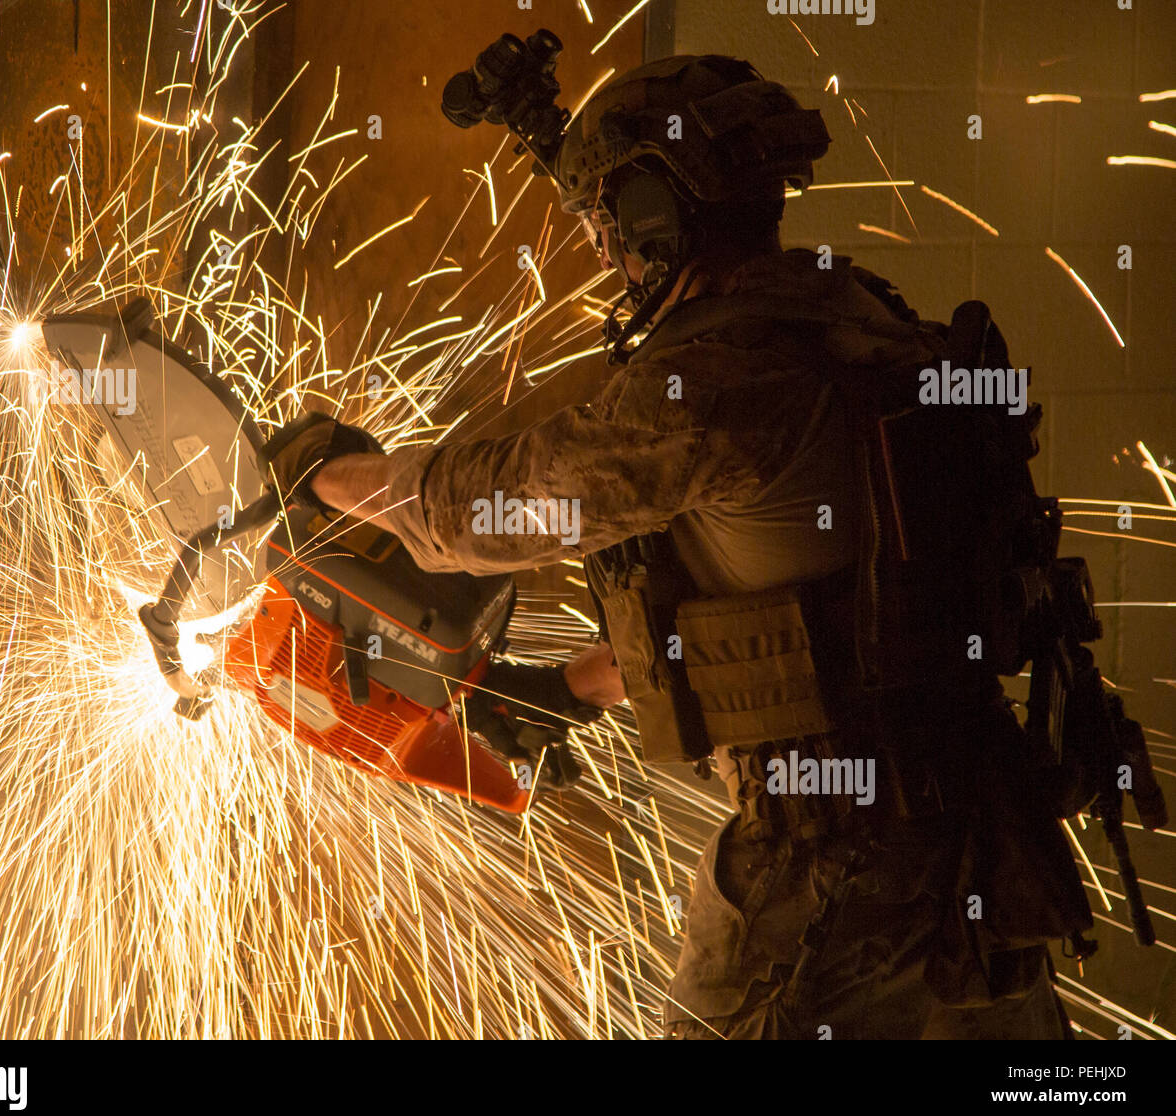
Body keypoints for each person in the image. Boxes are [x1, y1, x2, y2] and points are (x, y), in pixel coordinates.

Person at [267, 55, 1091, 1039]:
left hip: (829, 873)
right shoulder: (868, 324)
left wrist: (324, 475)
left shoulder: (713, 383)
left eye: (604, 225)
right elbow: (833, 626)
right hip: (980, 849)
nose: (605, 252)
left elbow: (494, 508)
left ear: (656, 212)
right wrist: (572, 687)